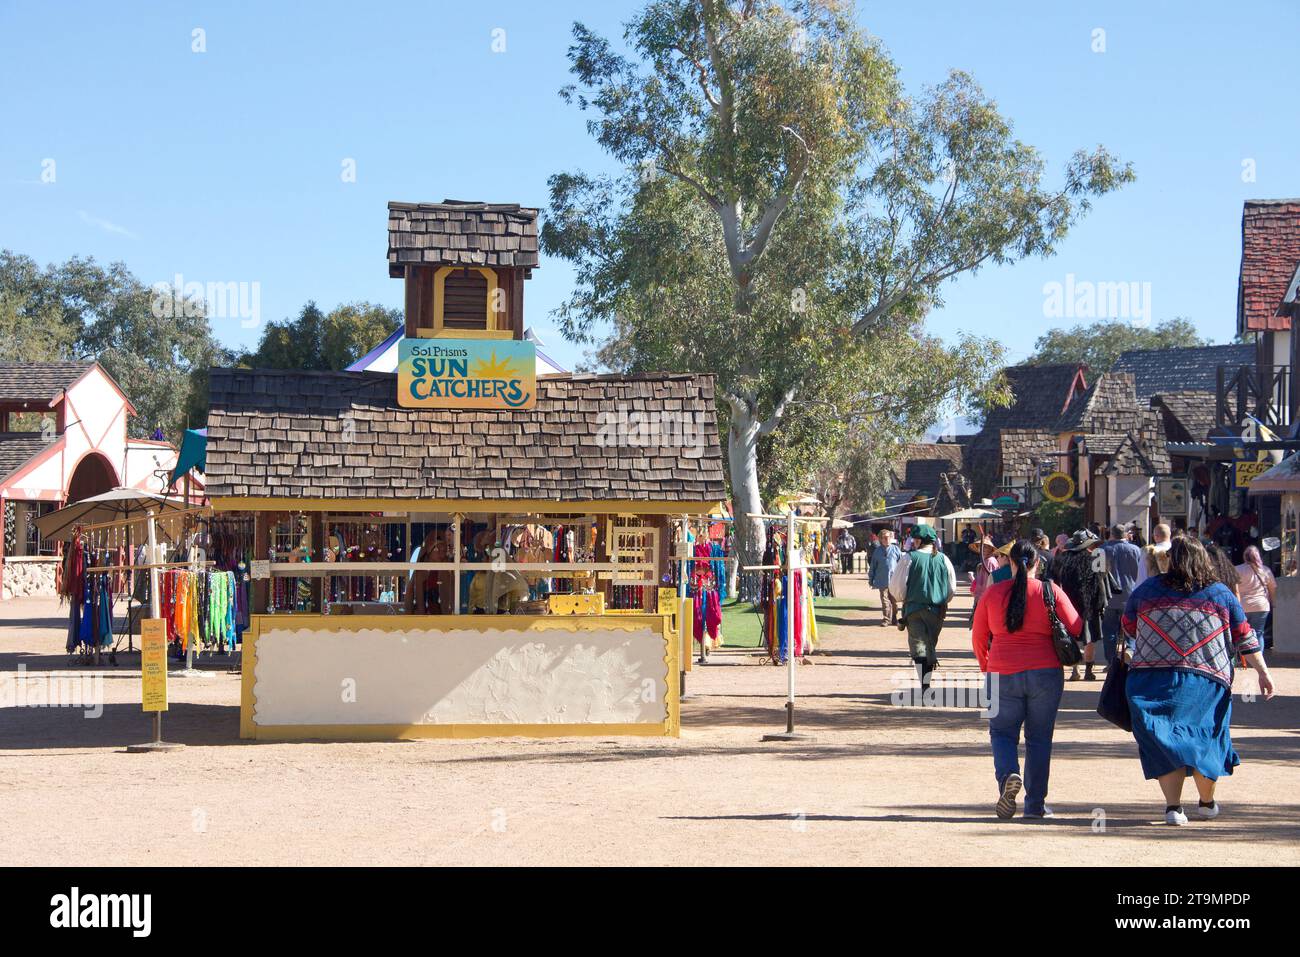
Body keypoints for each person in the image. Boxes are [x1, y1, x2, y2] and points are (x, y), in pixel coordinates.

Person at [1121, 537, 1274, 825]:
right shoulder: (1220, 593)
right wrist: (1263, 672)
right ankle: (1206, 803)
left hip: (1151, 681)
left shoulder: (1147, 590)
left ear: (1171, 559)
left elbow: (1128, 626)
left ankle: (1173, 808)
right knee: (1207, 739)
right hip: (1207, 683)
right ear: (1204, 558)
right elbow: (1244, 635)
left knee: (1164, 740)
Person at [972, 541, 1083, 819]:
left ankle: (1008, 775)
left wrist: (986, 666)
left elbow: (978, 635)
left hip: (1001, 671)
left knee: (1001, 733)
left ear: (1010, 562)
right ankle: (1035, 805)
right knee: (1039, 738)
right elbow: (1076, 626)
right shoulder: (1050, 591)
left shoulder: (993, 593)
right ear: (1038, 563)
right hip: (1045, 672)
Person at [889, 524, 957, 695]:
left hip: (913, 610)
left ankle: (925, 685)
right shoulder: (943, 559)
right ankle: (926, 684)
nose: (913, 542)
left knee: (918, 645)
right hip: (937, 611)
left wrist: (903, 598)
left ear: (919, 541)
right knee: (930, 645)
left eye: (915, 539)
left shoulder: (909, 558)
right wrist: (942, 599)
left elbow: (897, 586)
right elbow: (951, 588)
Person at [1054, 529, 1107, 681]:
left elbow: (1056, 581)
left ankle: (1075, 669)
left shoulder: (1063, 558)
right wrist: (1101, 603)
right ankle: (1089, 670)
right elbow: (1101, 583)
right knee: (1089, 637)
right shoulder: (1097, 558)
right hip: (1091, 604)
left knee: (1072, 636)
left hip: (1069, 603)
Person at [1101, 523, 1143, 665]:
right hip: (1130, 594)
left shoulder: (1102, 550)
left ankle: (1111, 660)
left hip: (1109, 596)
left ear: (1111, 534)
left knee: (1109, 631)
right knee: (1130, 626)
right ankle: (1130, 649)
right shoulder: (1136, 550)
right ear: (1126, 534)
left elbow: (1096, 574)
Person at [1236, 545, 1276, 650]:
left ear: (1244, 556)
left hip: (1243, 605)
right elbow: (1272, 588)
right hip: (1261, 606)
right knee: (1258, 634)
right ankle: (1259, 656)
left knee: (1243, 634)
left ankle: (1245, 656)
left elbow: (1234, 589)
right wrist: (1273, 602)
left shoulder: (1237, 569)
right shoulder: (1265, 570)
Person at [869, 529, 901, 625]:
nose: (887, 539)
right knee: (884, 600)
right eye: (885, 538)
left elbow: (901, 564)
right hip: (882, 579)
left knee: (894, 601)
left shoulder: (896, 549)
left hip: (894, 580)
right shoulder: (877, 551)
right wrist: (871, 579)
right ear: (880, 539)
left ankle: (894, 617)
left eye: (888, 537)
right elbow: (873, 566)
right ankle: (886, 619)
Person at [971, 537, 998, 607]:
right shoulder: (985, 561)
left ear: (990, 549)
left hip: (984, 598)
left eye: (985, 547)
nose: (982, 549)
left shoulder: (989, 562)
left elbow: (987, 583)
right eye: (980, 547)